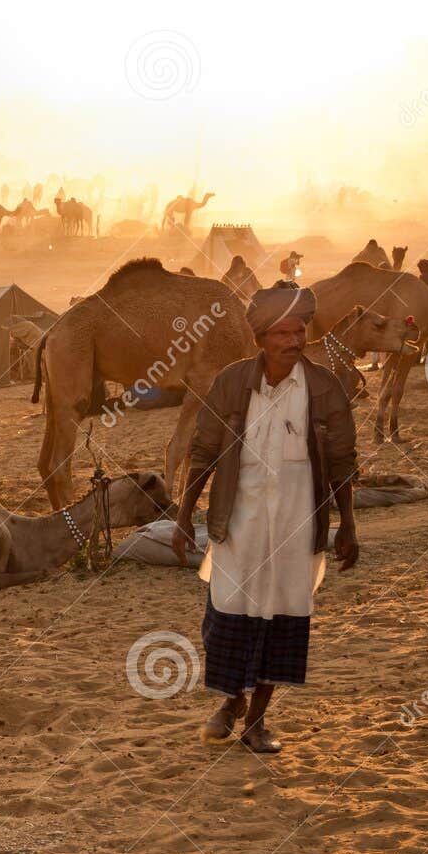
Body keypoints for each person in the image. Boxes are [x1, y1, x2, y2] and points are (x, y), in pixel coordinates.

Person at [172, 282, 360, 753]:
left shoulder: (325, 387)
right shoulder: (231, 382)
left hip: (298, 526)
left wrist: (348, 525)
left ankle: (256, 722)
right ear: (260, 338)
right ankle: (231, 701)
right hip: (238, 524)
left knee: (282, 621)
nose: (293, 341)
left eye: (299, 332)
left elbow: (342, 463)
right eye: (281, 333)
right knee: (226, 620)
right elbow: (203, 452)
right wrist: (183, 516)